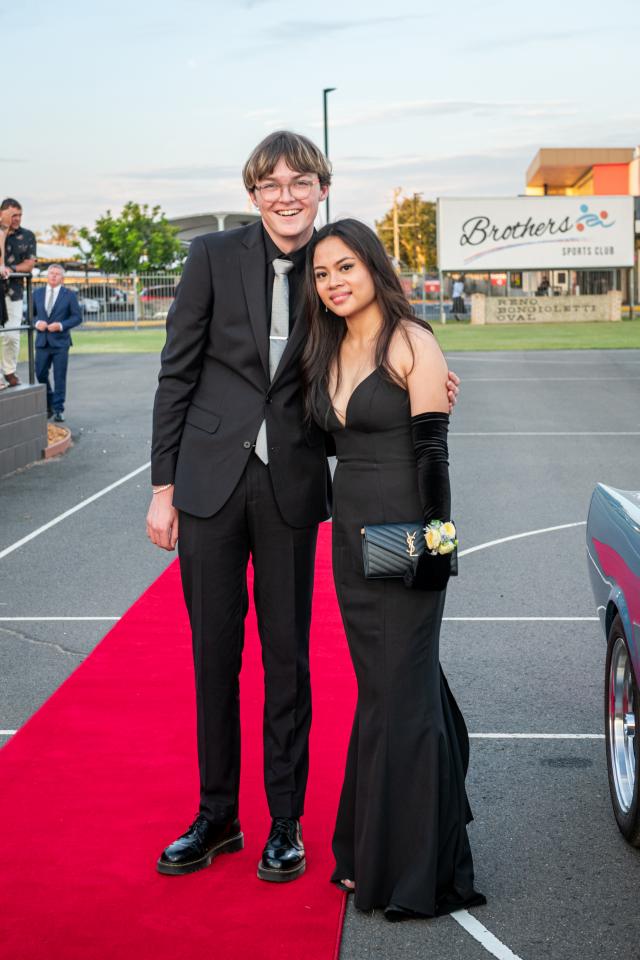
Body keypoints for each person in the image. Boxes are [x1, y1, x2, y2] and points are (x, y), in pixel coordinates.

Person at [146, 130, 461, 883]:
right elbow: (176, 372)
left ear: (322, 187)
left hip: (292, 482)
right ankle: (217, 815)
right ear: (253, 194)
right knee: (213, 655)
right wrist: (163, 488)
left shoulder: (334, 264)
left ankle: (283, 822)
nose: (285, 196)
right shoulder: (211, 256)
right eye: (270, 185)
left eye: (300, 182)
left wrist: (430, 378)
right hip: (209, 483)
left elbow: (376, 353)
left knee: (287, 660)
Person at [302, 219, 485, 920]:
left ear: (373, 267)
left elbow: (434, 457)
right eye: (322, 274)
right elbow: (326, 439)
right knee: (385, 689)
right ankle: (372, 849)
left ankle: (413, 868)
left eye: (345, 267)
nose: (334, 282)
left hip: (408, 535)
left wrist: (437, 549)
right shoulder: (325, 347)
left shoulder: (412, 341)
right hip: (352, 538)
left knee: (400, 692)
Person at [33, 264, 82, 421]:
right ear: (47, 275)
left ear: (62, 277)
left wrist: (61, 325)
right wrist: (37, 323)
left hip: (61, 343)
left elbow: (77, 317)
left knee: (59, 377)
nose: (54, 276)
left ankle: (59, 409)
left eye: (57, 274)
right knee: (40, 374)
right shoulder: (37, 293)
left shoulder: (69, 295)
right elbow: (30, 316)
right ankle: (50, 402)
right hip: (42, 342)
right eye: (51, 273)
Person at [0, 198, 37, 387]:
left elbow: (29, 265)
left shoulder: (27, 236)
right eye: (13, 215)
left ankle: (9, 371)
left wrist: (10, 269)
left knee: (12, 335)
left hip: (14, 291)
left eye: (20, 215)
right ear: (2, 214)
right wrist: (3, 230)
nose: (17, 219)